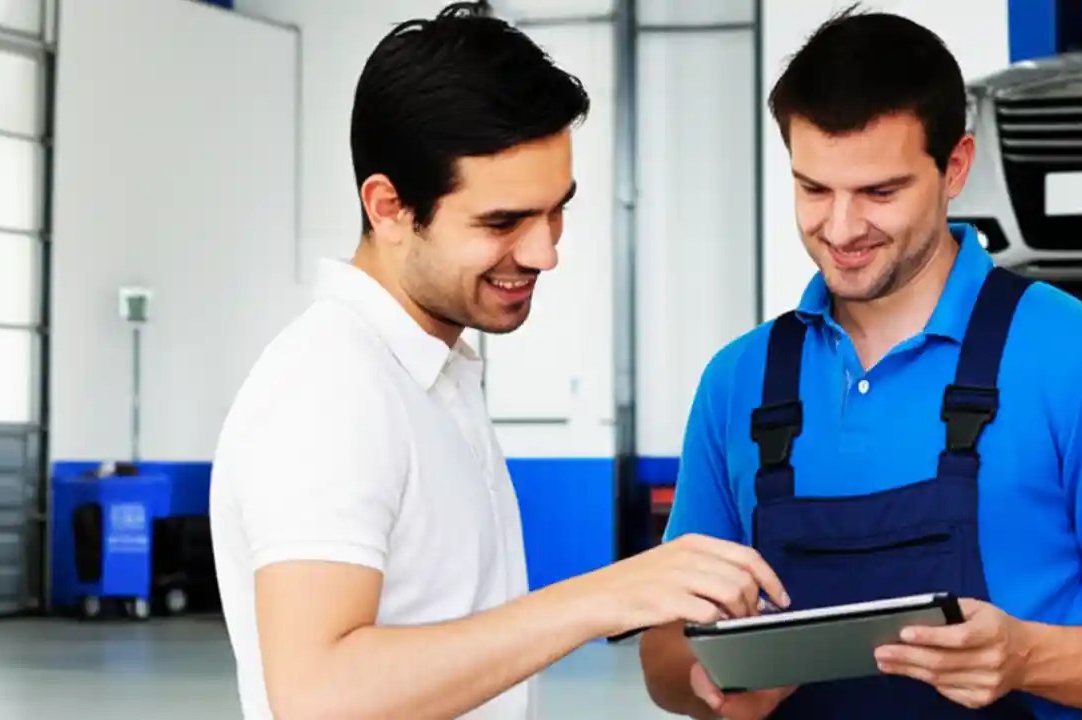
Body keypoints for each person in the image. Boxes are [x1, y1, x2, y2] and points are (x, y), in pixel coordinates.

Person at [639, 9, 1082, 720]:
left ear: (956, 166)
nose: (840, 229)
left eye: (880, 193)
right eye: (814, 189)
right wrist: (713, 684)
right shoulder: (738, 382)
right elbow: (664, 652)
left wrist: (1027, 656)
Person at [208, 3, 789, 719]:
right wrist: (601, 598)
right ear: (389, 207)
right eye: (502, 222)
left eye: (556, 210)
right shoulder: (329, 387)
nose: (545, 252)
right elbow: (319, 697)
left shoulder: (432, 373)